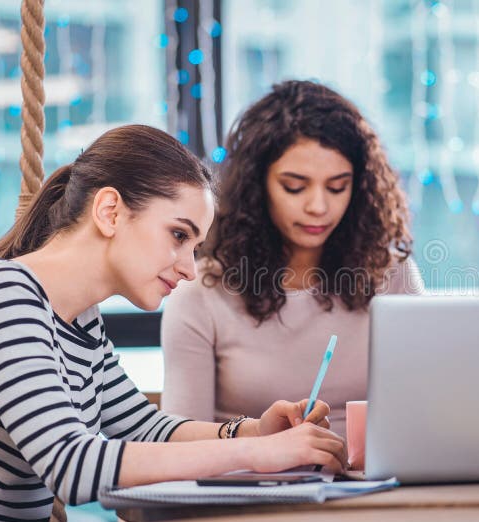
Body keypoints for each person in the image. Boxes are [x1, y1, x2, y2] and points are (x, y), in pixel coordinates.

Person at [0, 125, 346, 522]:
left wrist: (252, 430)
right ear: (109, 211)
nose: (189, 268)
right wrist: (256, 452)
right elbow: (72, 465)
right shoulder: (1, 291)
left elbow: (146, 430)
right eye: (178, 235)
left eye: (195, 247)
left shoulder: (83, 322)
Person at [161, 80, 423, 437]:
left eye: (337, 187)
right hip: (246, 487)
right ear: (257, 185)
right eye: (295, 187)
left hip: (370, 488)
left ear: (359, 188)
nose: (318, 207)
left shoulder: (391, 275)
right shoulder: (200, 291)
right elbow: (180, 442)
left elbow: (421, 415)